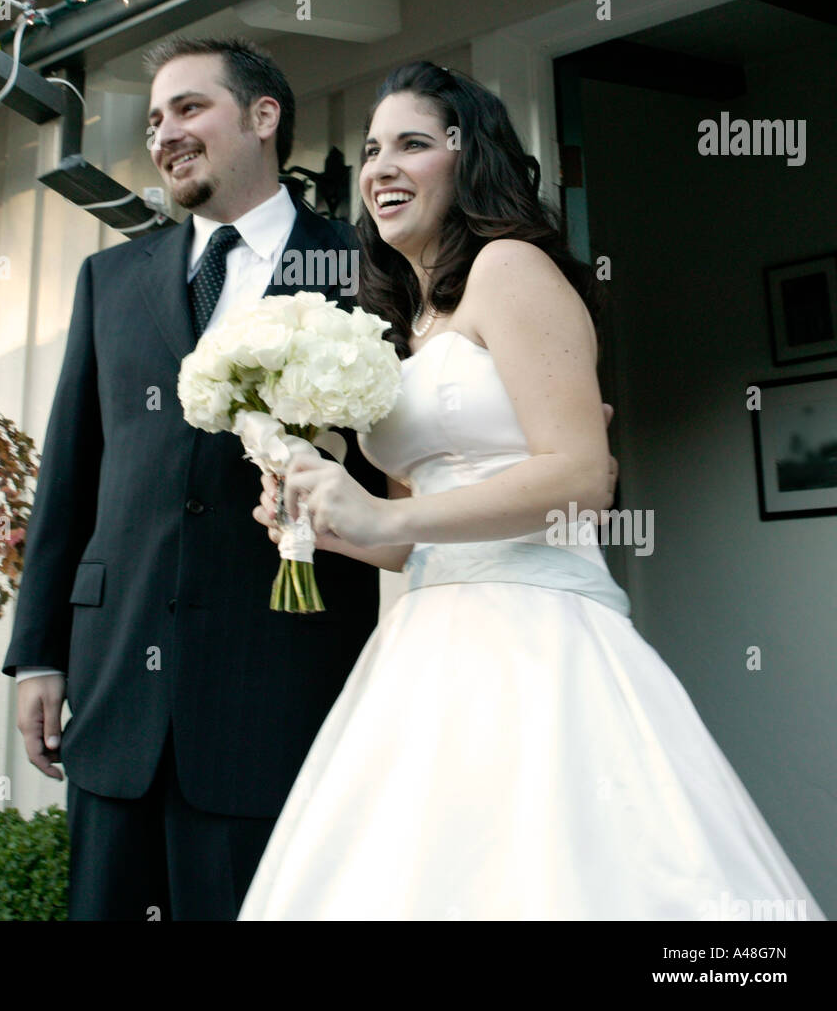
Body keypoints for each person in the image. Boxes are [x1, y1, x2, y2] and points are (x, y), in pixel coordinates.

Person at [238, 61, 826, 921]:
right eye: (370, 151)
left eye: (411, 143)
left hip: (537, 632)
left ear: (467, 156)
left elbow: (581, 476)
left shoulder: (510, 269)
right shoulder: (406, 325)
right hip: (423, 646)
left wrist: (384, 510)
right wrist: (329, 526)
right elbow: (410, 542)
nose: (379, 169)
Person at [1, 36, 386, 920]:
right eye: (154, 119)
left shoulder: (363, 268)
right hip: (113, 690)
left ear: (262, 117)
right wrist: (40, 653)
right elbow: (70, 479)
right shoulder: (110, 280)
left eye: (188, 107)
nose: (164, 132)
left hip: (278, 683)